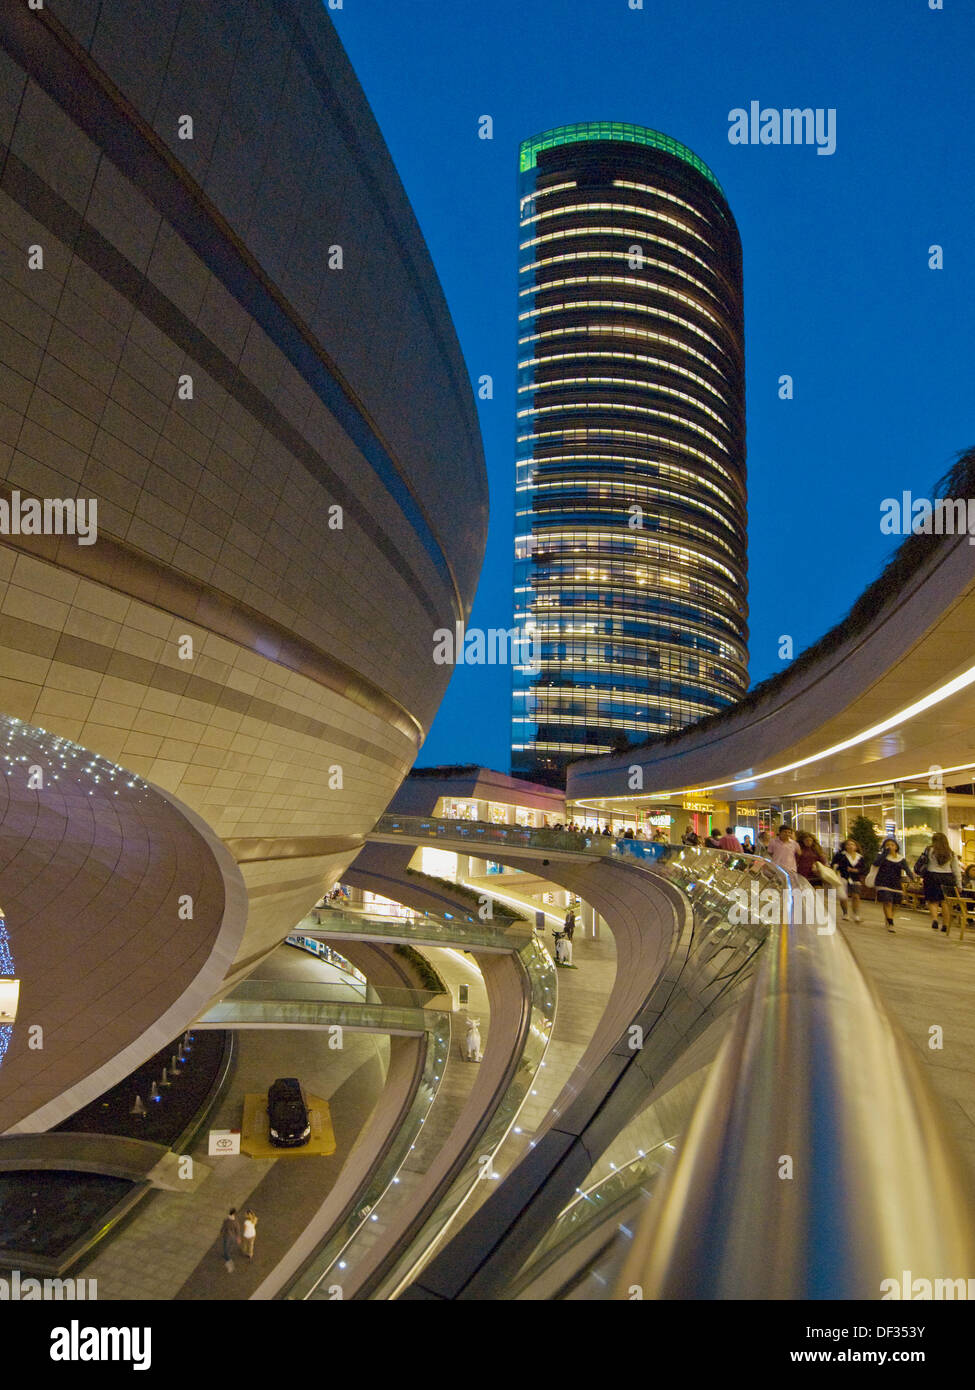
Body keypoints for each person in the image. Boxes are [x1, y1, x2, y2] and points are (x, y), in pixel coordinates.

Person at [915, 832, 963, 932]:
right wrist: (959, 884)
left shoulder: (929, 850)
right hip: (948, 878)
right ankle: (945, 924)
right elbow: (956, 870)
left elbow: (923, 863)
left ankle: (935, 919)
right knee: (945, 902)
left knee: (933, 901)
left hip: (932, 876)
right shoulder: (951, 853)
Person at [871, 837, 917, 933]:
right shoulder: (881, 856)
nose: (890, 847)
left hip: (895, 883)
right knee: (887, 901)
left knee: (895, 904)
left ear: (896, 847)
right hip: (883, 882)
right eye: (887, 845)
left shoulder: (901, 859)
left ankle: (888, 917)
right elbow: (876, 863)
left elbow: (907, 869)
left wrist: (912, 878)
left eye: (892, 845)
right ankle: (891, 923)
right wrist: (884, 854)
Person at [832, 839, 865, 922]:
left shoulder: (860, 857)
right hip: (843, 878)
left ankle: (856, 914)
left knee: (856, 896)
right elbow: (834, 865)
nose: (850, 846)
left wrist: (856, 870)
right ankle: (845, 913)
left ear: (856, 847)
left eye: (852, 844)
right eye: (848, 844)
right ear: (845, 846)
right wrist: (840, 868)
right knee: (843, 897)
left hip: (855, 879)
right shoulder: (840, 855)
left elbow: (863, 869)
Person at [221, 1208, 240, 1273]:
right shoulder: (235, 1221)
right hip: (232, 1237)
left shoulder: (226, 1220)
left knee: (225, 1249)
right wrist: (238, 1238)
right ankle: (226, 1254)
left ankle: (230, 1264)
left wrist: (221, 1233)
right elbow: (237, 1230)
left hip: (226, 1237)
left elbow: (223, 1228)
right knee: (228, 1248)